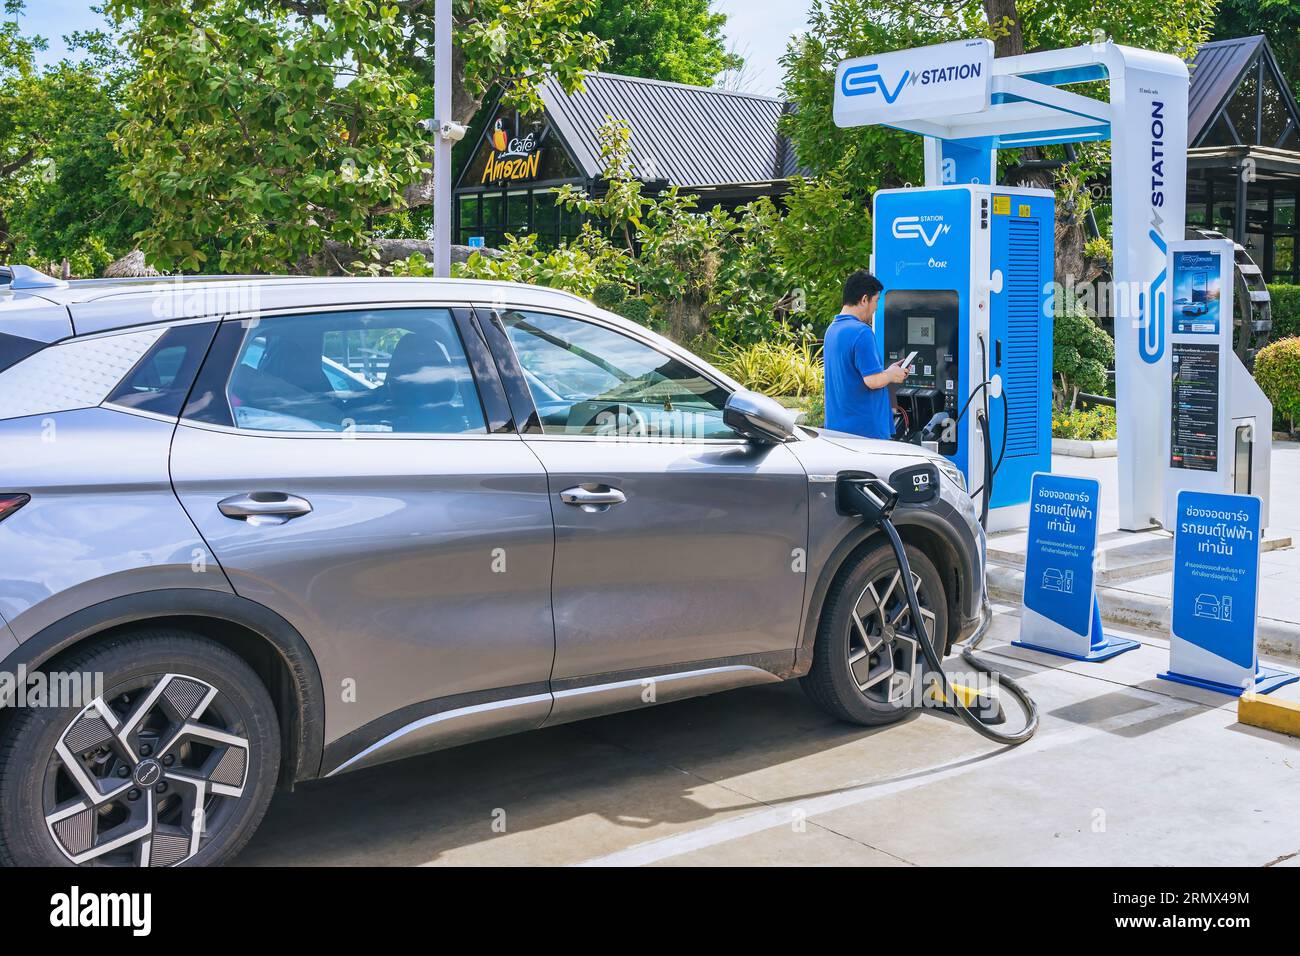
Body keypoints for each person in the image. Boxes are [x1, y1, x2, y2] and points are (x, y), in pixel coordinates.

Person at [822, 270, 910, 439]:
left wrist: (888, 371)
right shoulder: (861, 332)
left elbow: (857, 375)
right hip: (865, 434)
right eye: (876, 301)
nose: (876, 308)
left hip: (837, 431)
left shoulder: (832, 330)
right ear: (864, 300)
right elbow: (873, 381)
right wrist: (891, 375)